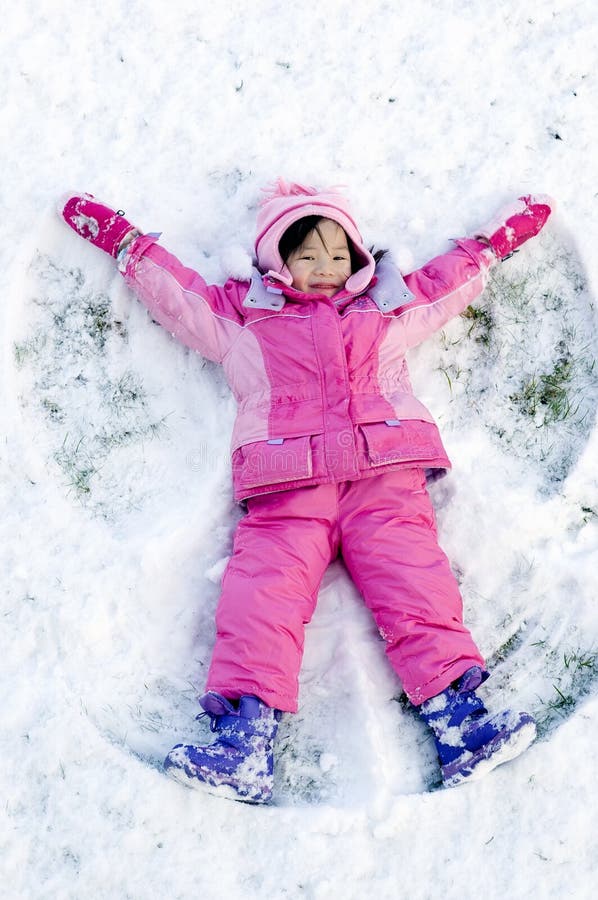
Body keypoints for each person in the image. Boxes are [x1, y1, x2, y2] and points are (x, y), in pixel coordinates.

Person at [59, 181, 553, 803]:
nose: (326, 270)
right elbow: (178, 296)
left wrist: (495, 241)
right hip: (287, 483)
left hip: (384, 475)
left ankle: (462, 721)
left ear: (359, 261)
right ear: (276, 260)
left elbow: (443, 289)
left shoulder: (384, 308)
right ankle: (243, 739)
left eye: (339, 256)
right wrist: (125, 241)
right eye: (309, 256)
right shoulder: (243, 318)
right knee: (262, 594)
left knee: (416, 584)